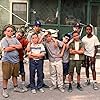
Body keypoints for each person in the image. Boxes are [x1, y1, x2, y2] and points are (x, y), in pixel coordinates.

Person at [1, 24, 24, 98]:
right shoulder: (4, 40)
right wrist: (15, 47)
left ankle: (15, 87)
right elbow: (6, 49)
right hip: (7, 61)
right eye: (8, 31)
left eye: (11, 31)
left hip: (16, 60)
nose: (10, 32)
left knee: (15, 75)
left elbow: (20, 46)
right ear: (5, 32)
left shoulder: (14, 39)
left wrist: (12, 46)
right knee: (6, 76)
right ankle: (4, 90)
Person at [27, 21, 49, 88]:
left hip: (40, 52)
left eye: (39, 26)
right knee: (32, 71)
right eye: (36, 26)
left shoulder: (42, 33)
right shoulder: (30, 33)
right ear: (34, 26)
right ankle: (31, 84)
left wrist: (45, 34)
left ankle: (41, 83)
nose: (38, 27)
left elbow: (42, 43)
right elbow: (33, 42)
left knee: (40, 71)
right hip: (32, 52)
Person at [82, 24, 100, 90]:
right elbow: (82, 47)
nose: (88, 30)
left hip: (92, 55)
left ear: (91, 30)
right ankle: (88, 80)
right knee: (86, 68)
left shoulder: (94, 38)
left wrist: (93, 56)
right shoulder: (84, 38)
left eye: (89, 29)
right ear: (85, 30)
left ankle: (94, 82)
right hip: (86, 55)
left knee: (93, 69)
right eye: (87, 29)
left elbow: (96, 48)